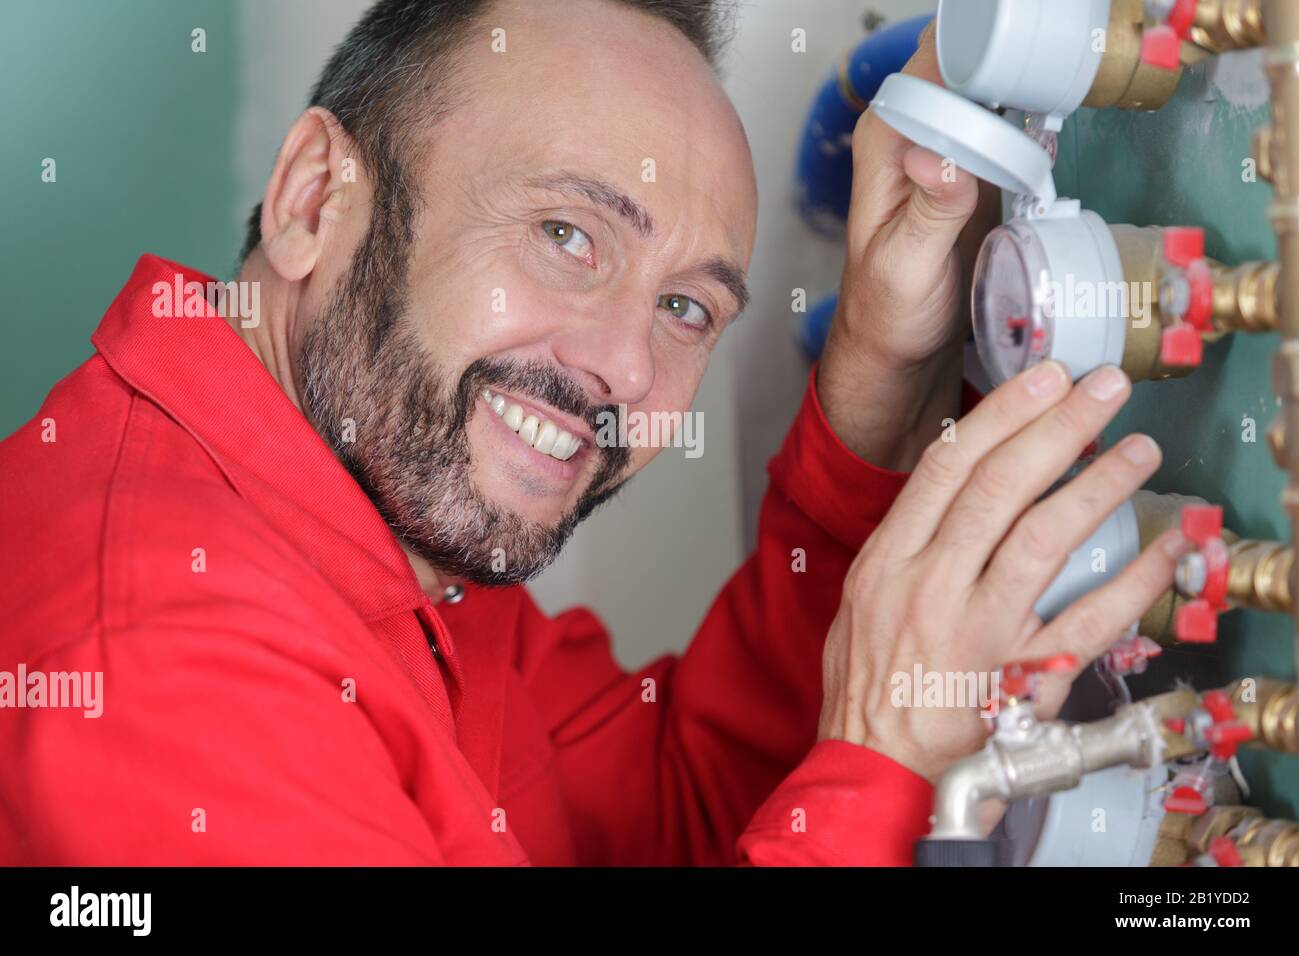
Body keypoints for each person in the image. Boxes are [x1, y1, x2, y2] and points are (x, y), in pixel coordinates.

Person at [0, 0, 1189, 865]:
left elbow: (673, 815)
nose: (619, 371)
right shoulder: (166, 663)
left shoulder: (372, 521)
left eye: (684, 307)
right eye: (566, 235)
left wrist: (876, 375)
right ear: (317, 197)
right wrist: (881, 755)